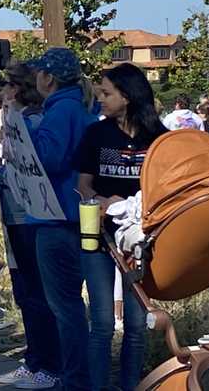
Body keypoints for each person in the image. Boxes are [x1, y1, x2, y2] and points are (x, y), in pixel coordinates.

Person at [75, 63, 168, 390]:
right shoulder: (95, 134)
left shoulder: (158, 136)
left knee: (136, 324)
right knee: (101, 323)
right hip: (99, 238)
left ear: (127, 96)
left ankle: (131, 385)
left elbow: (168, 183)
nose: (99, 98)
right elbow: (83, 183)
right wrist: (101, 201)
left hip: (139, 240)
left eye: (106, 93)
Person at [25, 48, 100, 391]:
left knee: (65, 308)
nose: (34, 78)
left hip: (57, 218)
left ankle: (75, 381)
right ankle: (84, 377)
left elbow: (51, 159)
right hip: (83, 216)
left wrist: (28, 136)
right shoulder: (83, 107)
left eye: (38, 72)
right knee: (81, 307)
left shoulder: (59, 110)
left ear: (48, 78)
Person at [0, 63, 60, 389]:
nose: (1, 92)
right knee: (23, 291)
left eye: (5, 85)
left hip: (30, 218)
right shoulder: (14, 122)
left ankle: (49, 364)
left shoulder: (32, 121)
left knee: (36, 293)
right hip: (14, 215)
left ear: (16, 89)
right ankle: (35, 360)